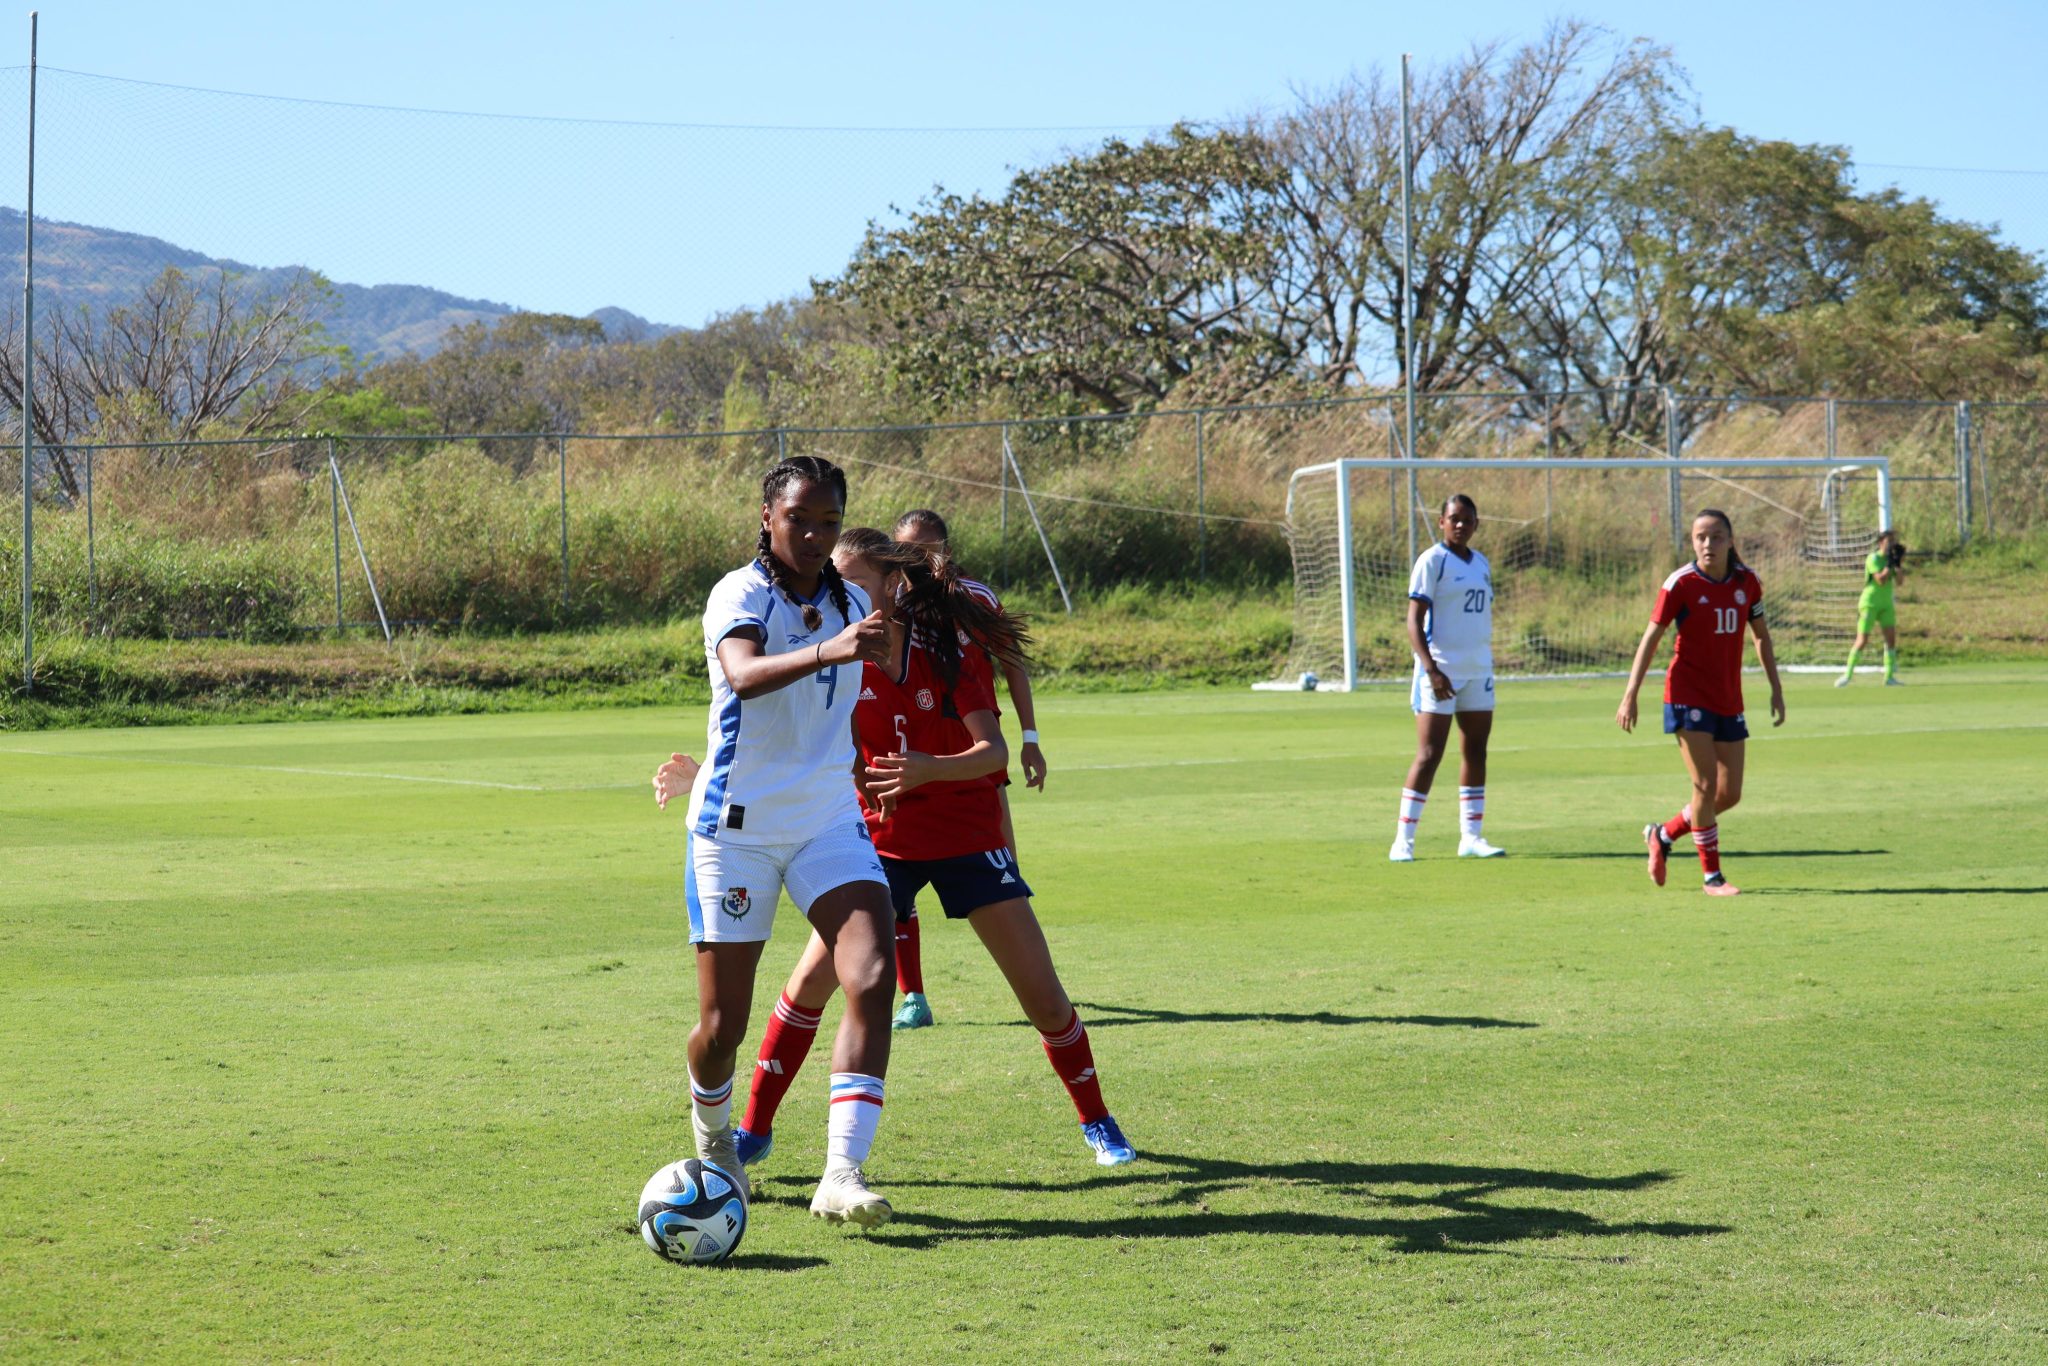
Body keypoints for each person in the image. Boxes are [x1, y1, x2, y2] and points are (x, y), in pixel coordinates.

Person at [731, 528, 1137, 1172]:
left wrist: (925, 769)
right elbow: (803, 751)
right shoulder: (834, 657)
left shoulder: (946, 650)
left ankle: (1098, 1121)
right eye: (833, 580)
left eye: (852, 579)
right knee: (809, 982)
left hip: (967, 835)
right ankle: (753, 1129)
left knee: (1043, 996)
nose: (838, 590)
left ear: (892, 586)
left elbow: (992, 753)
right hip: (877, 842)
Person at [650, 454, 902, 1229]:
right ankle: (716, 1144)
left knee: (872, 973)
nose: (814, 534)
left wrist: (861, 767)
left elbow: (839, 710)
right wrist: (834, 648)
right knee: (723, 1027)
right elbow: (745, 672)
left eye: (829, 522)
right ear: (768, 516)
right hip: (737, 830)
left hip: (827, 821)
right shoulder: (740, 592)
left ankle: (841, 1173)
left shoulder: (853, 598)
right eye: (800, 518)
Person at [885, 508, 1046, 1030]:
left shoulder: (976, 599)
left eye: (928, 549)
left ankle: (1030, 976)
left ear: (947, 551)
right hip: (913, 752)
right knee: (892, 880)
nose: (919, 560)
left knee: (1004, 879)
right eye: (907, 550)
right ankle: (914, 996)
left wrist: (1029, 738)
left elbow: (1012, 662)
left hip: (978, 753)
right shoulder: (890, 603)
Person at [1616, 509, 1787, 897]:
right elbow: (1651, 638)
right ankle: (1712, 876)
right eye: (1700, 537)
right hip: (1686, 695)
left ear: (1730, 540)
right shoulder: (1681, 584)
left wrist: (1775, 688)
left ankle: (1663, 834)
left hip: (1728, 697)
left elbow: (1761, 636)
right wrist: (1630, 694)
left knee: (1729, 794)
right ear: (1693, 542)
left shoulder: (1748, 583)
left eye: (1716, 537)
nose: (1708, 544)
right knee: (1705, 785)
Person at [1391, 494, 1505, 862]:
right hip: (1440, 670)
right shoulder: (1432, 561)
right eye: (1453, 518)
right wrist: (1431, 669)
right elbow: (1413, 619)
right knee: (1429, 754)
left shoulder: (1481, 563)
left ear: (1476, 524)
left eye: (1467, 520)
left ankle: (1471, 837)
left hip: (1477, 671)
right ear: (1441, 522)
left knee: (1475, 750)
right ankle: (1403, 841)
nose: (1460, 525)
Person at [1837, 529, 1906, 687]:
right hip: (1870, 603)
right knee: (1863, 639)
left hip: (1886, 604)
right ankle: (1847, 675)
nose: (1891, 545)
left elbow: (1900, 582)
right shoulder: (1873, 558)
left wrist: (1898, 565)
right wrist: (1889, 564)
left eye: (1893, 542)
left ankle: (1889, 677)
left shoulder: (1891, 559)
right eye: (1889, 541)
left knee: (1891, 640)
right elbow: (1880, 579)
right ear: (1881, 542)